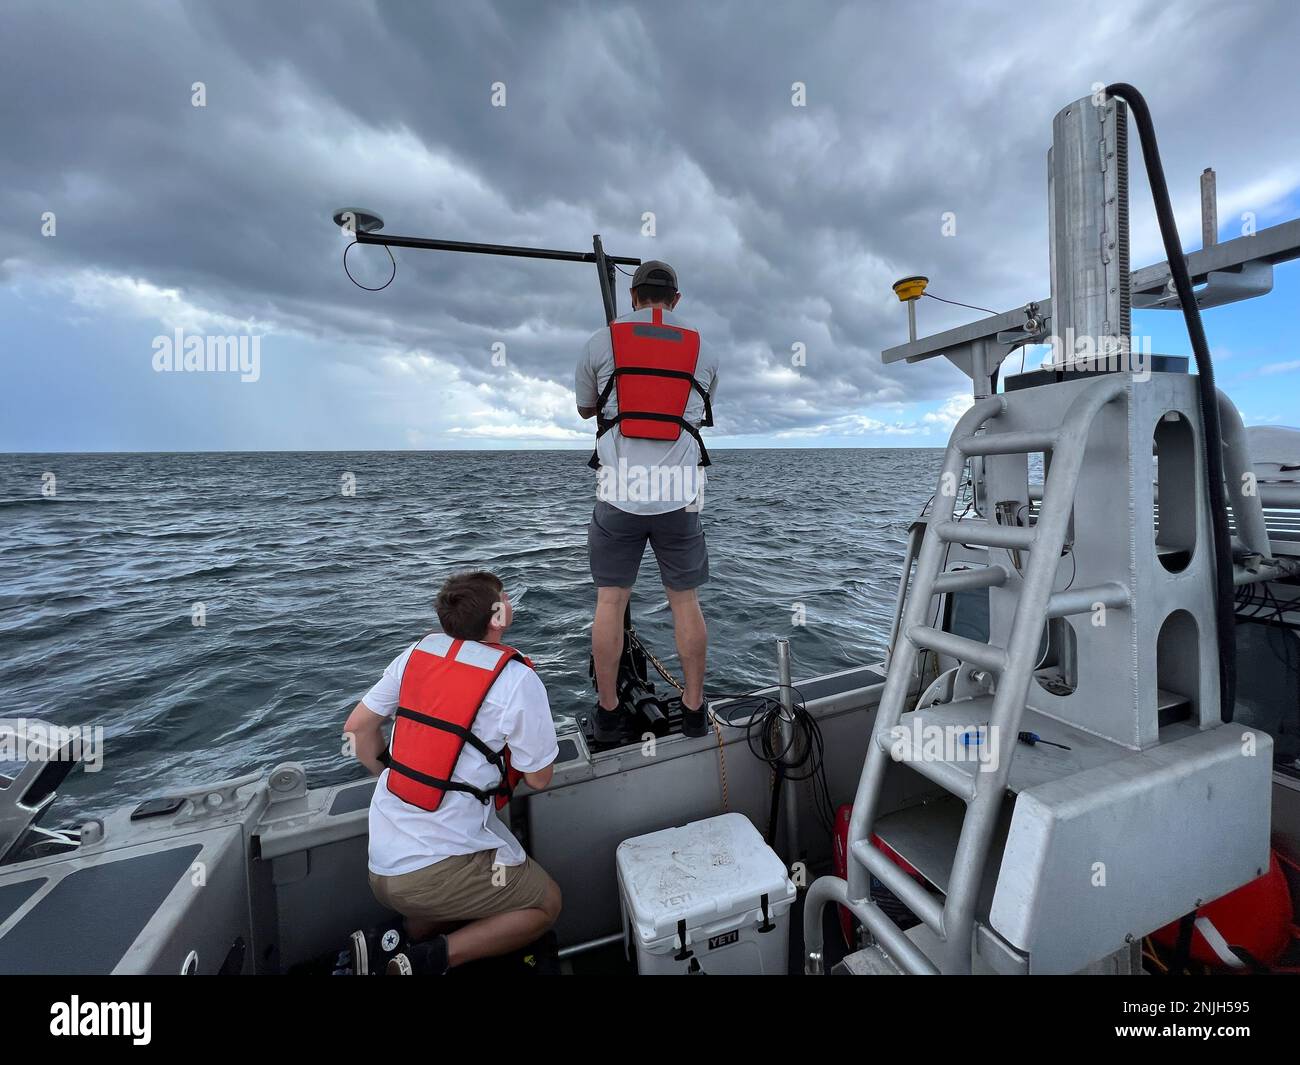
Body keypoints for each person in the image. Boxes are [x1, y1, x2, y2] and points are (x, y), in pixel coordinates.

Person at [342, 570, 561, 975]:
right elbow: (539, 778)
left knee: (450, 888)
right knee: (546, 902)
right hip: (433, 874)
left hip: (382, 861)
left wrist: (401, 776)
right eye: (505, 596)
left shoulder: (416, 654)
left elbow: (356, 731)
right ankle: (427, 960)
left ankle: (391, 942)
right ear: (498, 616)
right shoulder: (517, 680)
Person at [575, 260, 719, 744]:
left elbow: (585, 407)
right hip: (680, 494)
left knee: (610, 603)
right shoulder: (704, 349)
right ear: (675, 300)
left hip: (620, 490)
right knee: (686, 603)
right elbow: (699, 407)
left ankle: (611, 712)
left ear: (634, 297)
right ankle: (695, 710)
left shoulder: (601, 340)